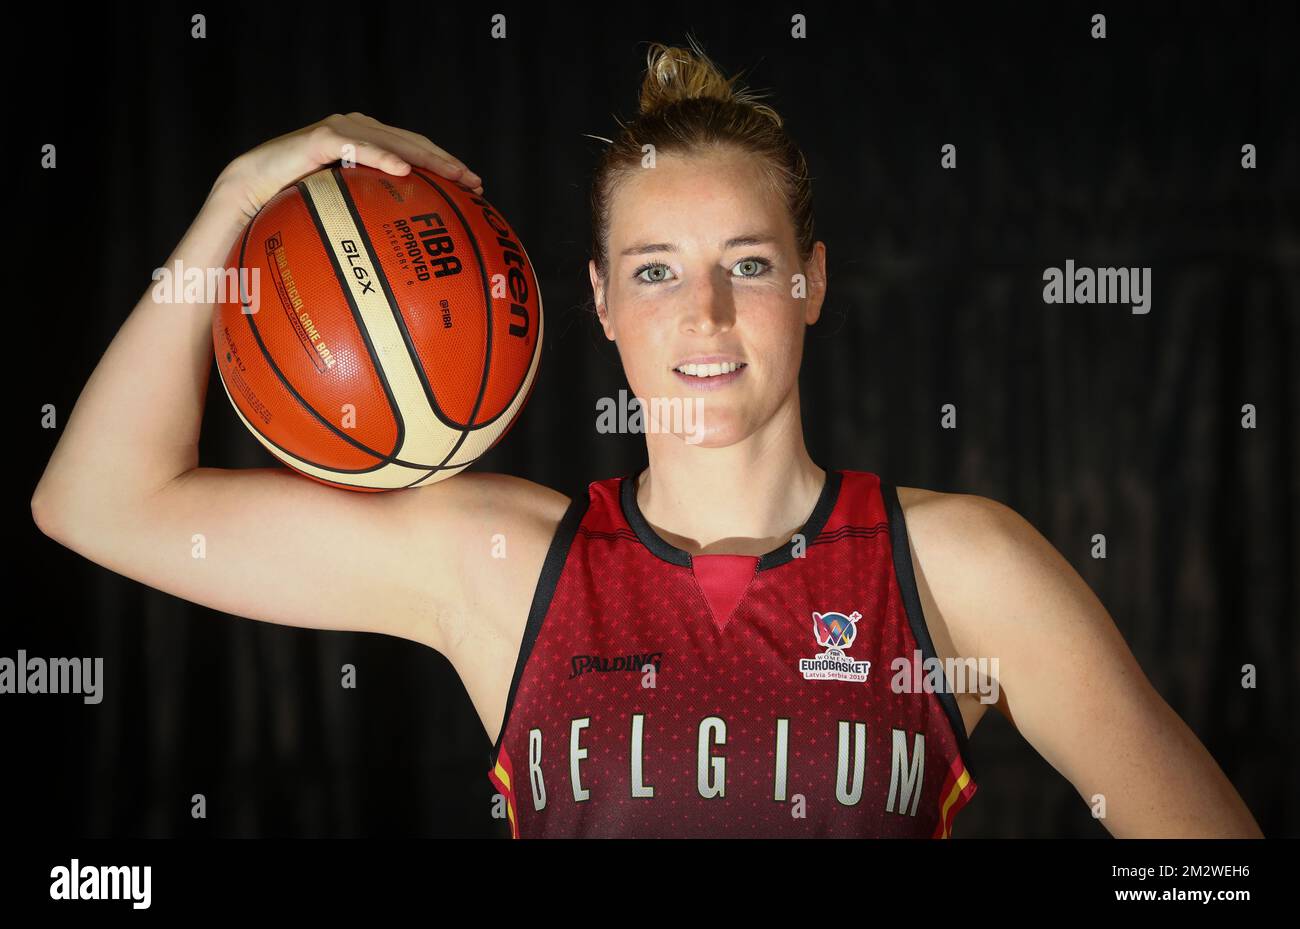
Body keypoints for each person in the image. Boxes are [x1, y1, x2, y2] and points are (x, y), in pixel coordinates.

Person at [31, 39, 1263, 839]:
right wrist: (240, 196)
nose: (707, 313)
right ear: (602, 300)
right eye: (658, 269)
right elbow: (97, 499)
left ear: (814, 284)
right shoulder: (500, 563)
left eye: (750, 264)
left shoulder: (957, 569)